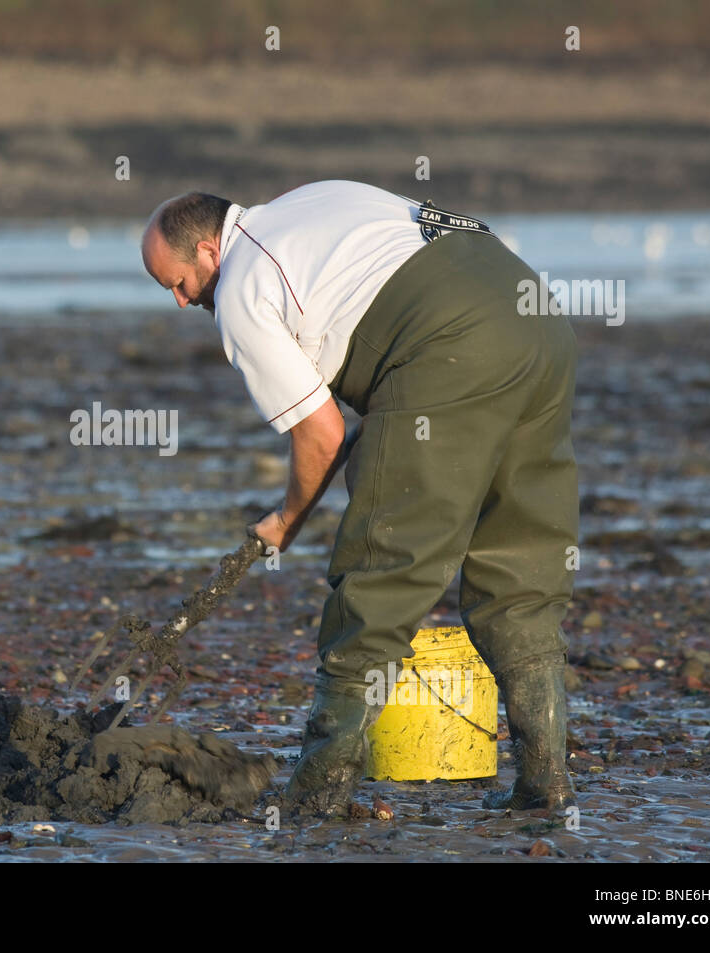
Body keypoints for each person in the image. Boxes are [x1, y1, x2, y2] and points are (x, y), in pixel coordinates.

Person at [139, 181, 578, 817]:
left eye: (177, 283)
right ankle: (546, 787)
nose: (181, 303)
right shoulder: (309, 200)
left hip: (446, 344)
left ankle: (317, 796)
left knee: (378, 576)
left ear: (209, 251)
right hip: (535, 320)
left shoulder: (239, 289)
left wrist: (287, 520)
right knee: (522, 569)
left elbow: (322, 432)